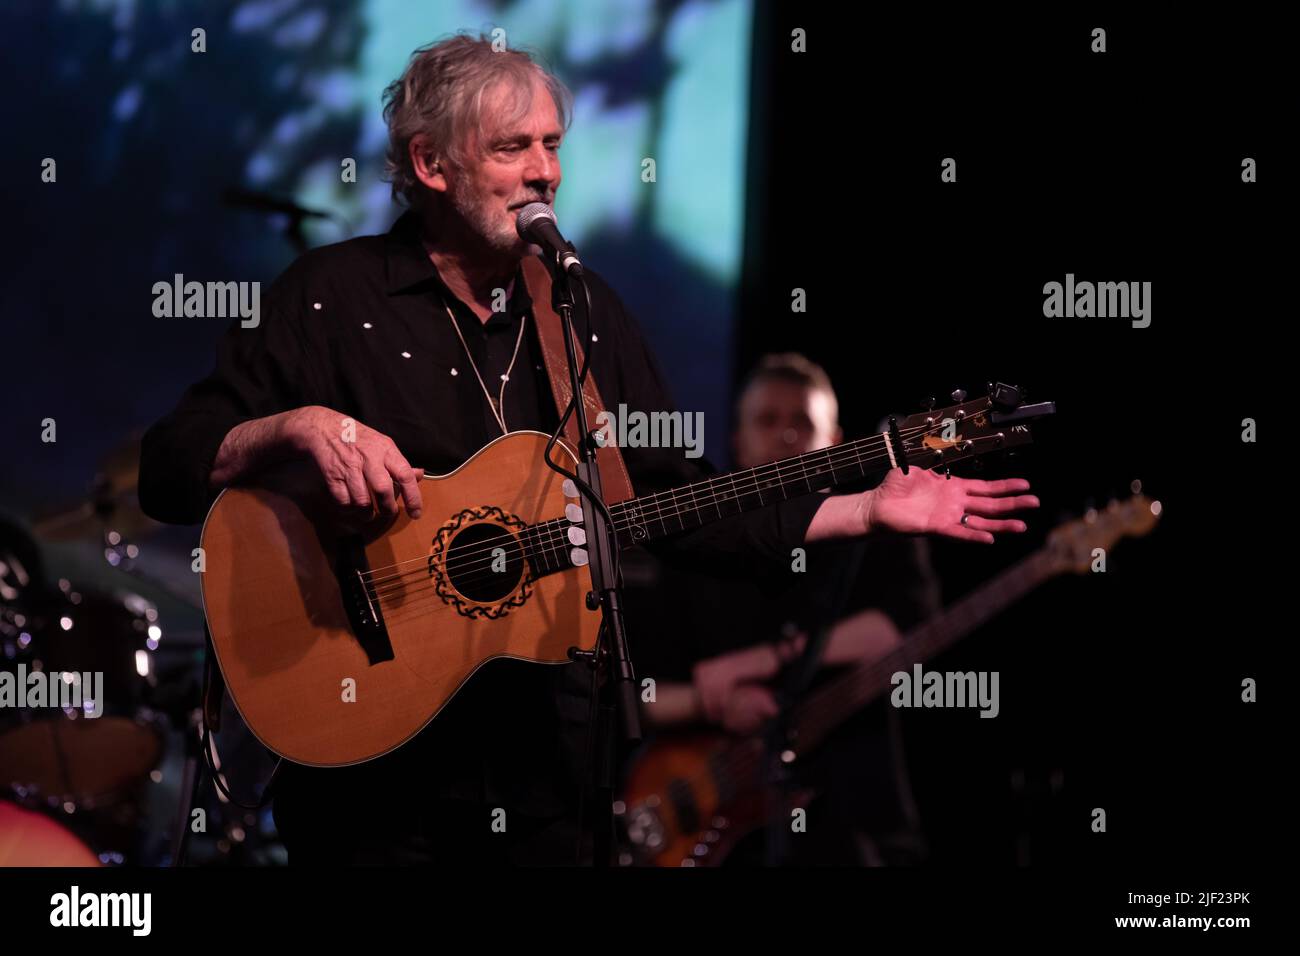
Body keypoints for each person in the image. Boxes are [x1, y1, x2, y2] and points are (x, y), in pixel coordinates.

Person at [138, 33, 1038, 865]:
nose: (545, 172)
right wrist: (297, 427)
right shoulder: (332, 297)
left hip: (551, 776)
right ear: (430, 164)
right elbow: (169, 465)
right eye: (512, 148)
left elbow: (678, 504)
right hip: (376, 776)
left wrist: (864, 505)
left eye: (553, 144)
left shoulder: (583, 312)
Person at [639, 354, 939, 865]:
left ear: (837, 442)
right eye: (767, 420)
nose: (785, 436)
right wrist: (712, 702)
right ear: (735, 438)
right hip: (722, 836)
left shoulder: (880, 526)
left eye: (803, 422)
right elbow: (641, 696)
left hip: (854, 829)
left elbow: (901, 630)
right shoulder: (691, 548)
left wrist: (758, 661)